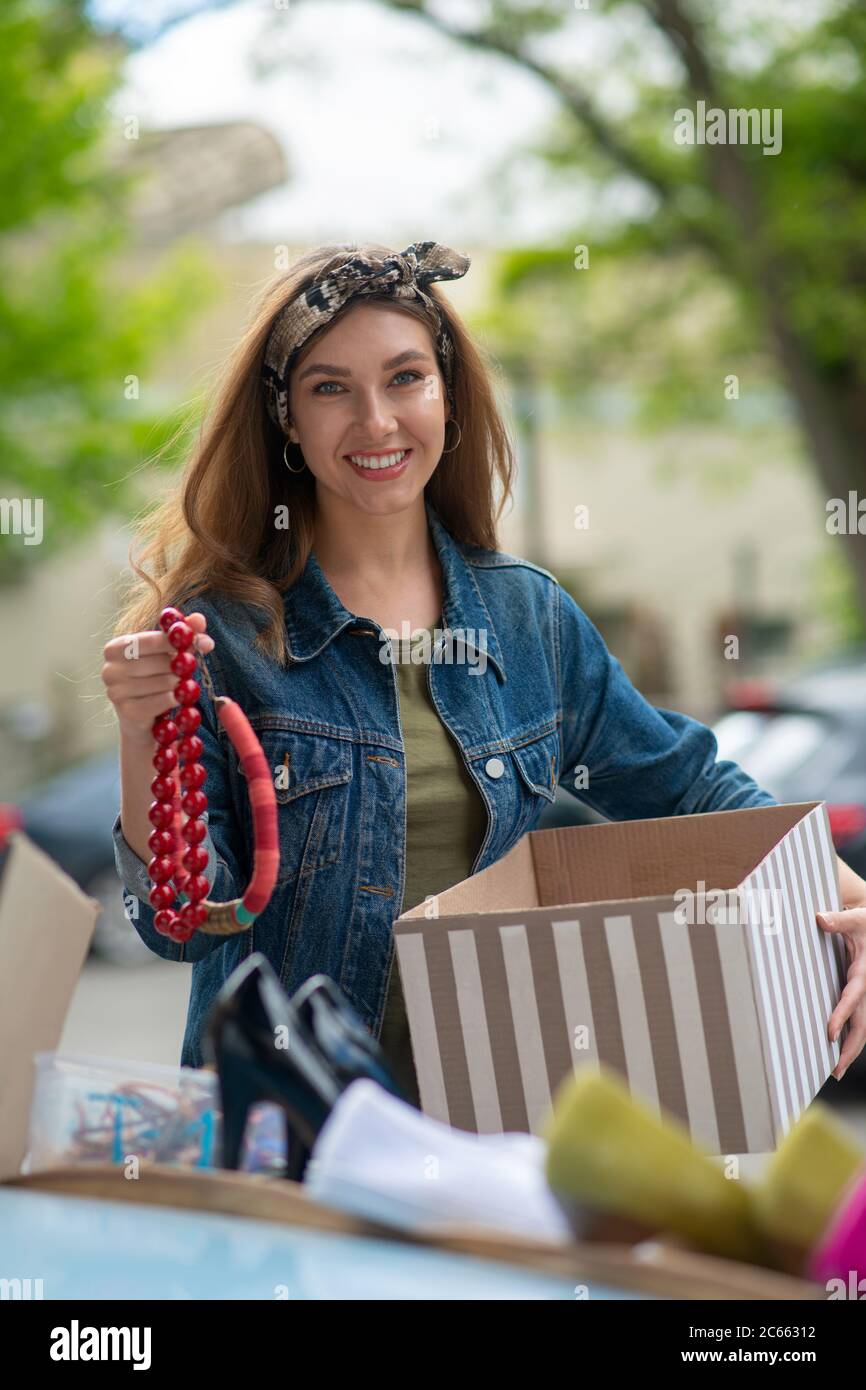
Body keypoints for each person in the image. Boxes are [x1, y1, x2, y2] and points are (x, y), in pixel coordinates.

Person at [101, 240, 866, 1101]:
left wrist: (855, 902)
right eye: (329, 388)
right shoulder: (225, 635)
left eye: (405, 379)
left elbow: (691, 789)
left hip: (488, 1135)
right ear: (286, 417)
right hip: (287, 1141)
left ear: (447, 394)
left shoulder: (527, 619)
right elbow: (184, 928)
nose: (377, 422)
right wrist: (142, 731)